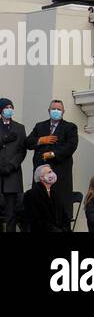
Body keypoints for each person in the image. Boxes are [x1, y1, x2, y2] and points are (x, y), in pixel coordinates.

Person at [26, 100, 77, 221]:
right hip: (41, 174)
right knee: (39, 209)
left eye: (59, 109)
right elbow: (28, 142)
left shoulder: (70, 127)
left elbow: (71, 146)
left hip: (60, 174)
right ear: (49, 111)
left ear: (63, 112)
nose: (56, 111)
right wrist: (40, 140)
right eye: (53, 109)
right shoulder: (40, 126)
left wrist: (53, 154)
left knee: (59, 209)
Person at [0, 98, 25, 232]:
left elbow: (22, 151)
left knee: (11, 212)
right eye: (6, 107)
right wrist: (4, 140)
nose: (9, 109)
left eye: (11, 107)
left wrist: (11, 166)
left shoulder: (19, 128)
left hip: (12, 175)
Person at [23, 164, 69, 233]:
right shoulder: (31, 194)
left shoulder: (56, 194)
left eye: (52, 171)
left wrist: (64, 229)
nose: (53, 174)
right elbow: (36, 220)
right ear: (41, 177)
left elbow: (64, 217)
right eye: (49, 172)